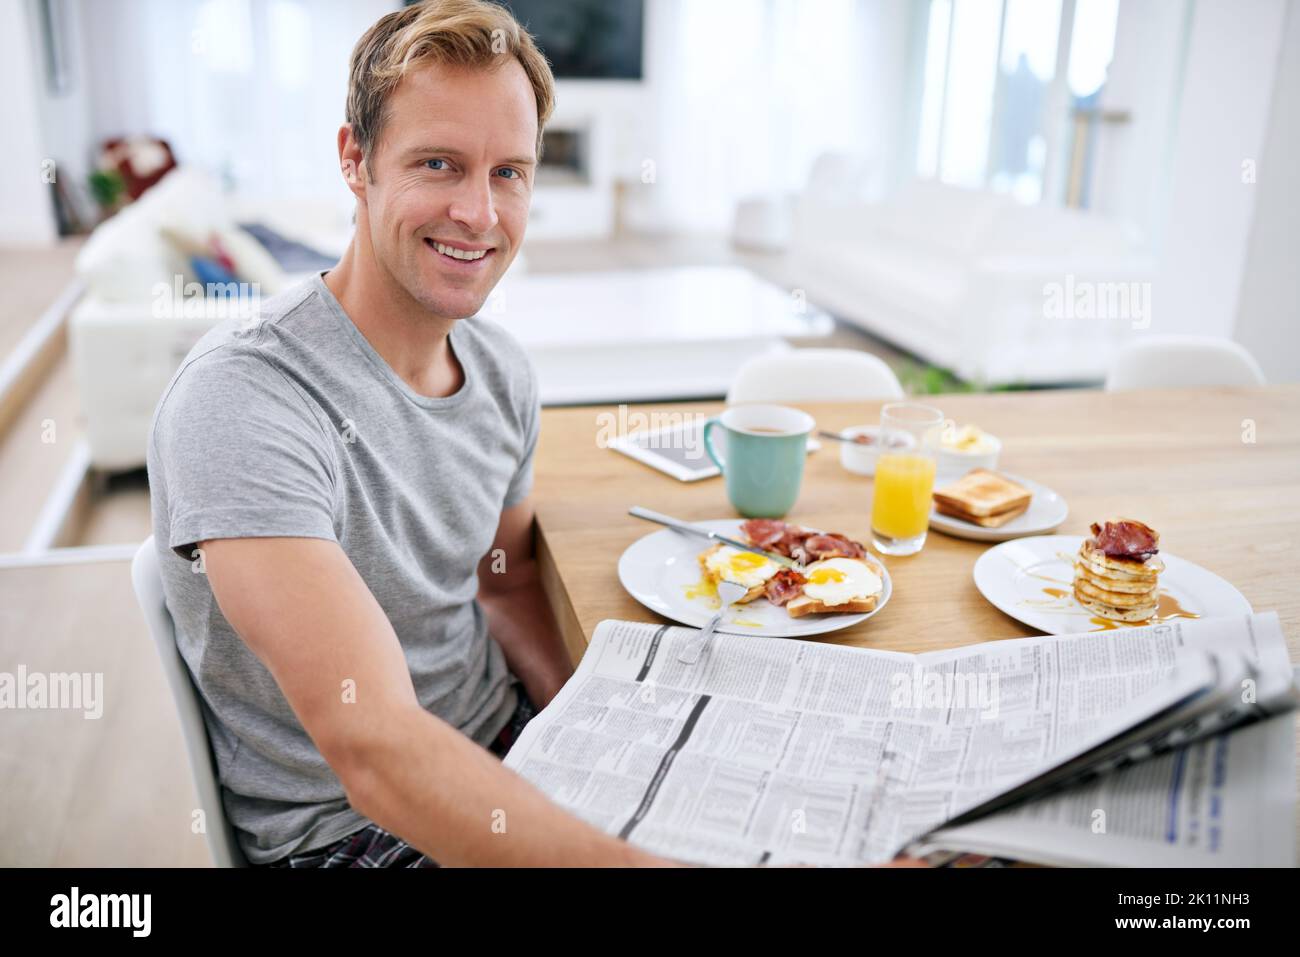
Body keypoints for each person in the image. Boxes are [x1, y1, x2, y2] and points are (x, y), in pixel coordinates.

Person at [148, 0, 673, 867]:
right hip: (353, 830)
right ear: (355, 160)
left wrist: (595, 744)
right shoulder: (244, 398)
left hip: (505, 738)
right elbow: (376, 754)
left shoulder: (502, 372)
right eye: (440, 163)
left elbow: (504, 590)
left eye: (510, 173)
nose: (478, 213)